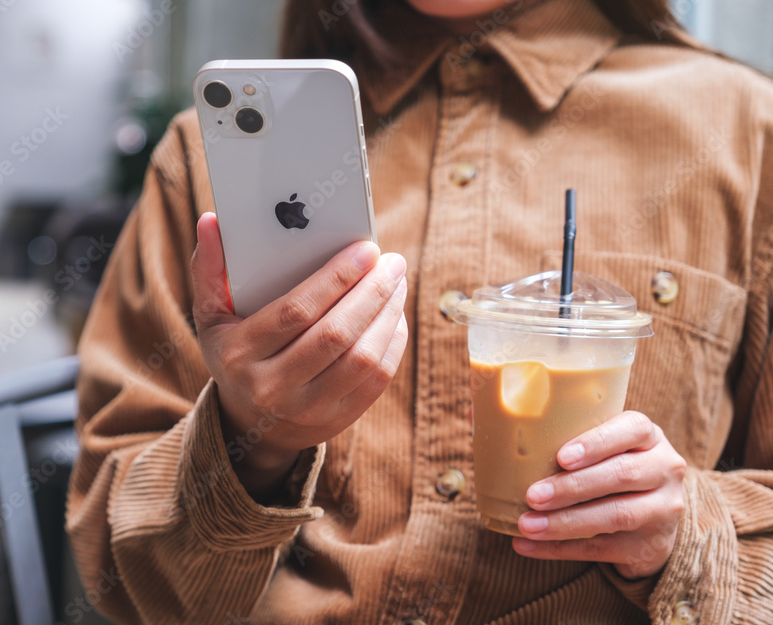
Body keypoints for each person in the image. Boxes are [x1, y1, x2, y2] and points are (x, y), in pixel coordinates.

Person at [65, 0, 773, 622]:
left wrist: (687, 536)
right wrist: (251, 439)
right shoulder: (205, 160)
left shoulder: (748, 133)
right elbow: (114, 572)